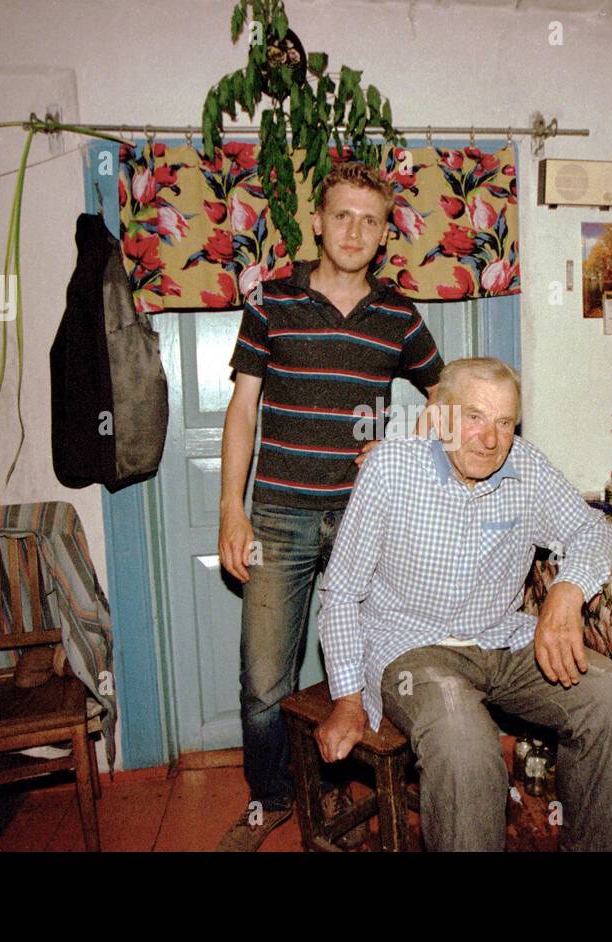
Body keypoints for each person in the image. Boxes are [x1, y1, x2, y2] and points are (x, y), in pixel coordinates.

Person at [315, 357, 612, 852]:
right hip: (413, 649)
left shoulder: (526, 468)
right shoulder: (391, 469)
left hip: (500, 639)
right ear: (441, 414)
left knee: (610, 695)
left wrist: (567, 589)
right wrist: (346, 697)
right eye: (474, 417)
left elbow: (591, 530)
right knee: (464, 742)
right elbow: (340, 590)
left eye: (505, 422)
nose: (490, 439)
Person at [216, 161, 442, 851]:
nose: (354, 230)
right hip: (279, 516)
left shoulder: (399, 316)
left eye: (369, 220)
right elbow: (243, 410)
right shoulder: (271, 303)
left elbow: (451, 399)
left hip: (364, 522)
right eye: (341, 215)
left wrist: (401, 444)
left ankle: (350, 781)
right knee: (263, 683)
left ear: (383, 236)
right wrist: (232, 507)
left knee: (369, 665)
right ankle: (274, 798)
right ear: (317, 221)